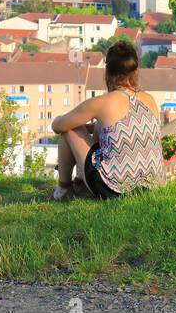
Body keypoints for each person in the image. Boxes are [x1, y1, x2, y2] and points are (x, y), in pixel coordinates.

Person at [51, 40, 166, 199]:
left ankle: (63, 190)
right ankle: (80, 183)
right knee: (99, 126)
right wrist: (95, 126)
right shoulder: (150, 100)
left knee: (69, 131)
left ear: (107, 72)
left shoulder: (102, 103)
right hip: (153, 185)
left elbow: (58, 126)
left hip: (115, 188)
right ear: (135, 71)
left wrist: (63, 119)